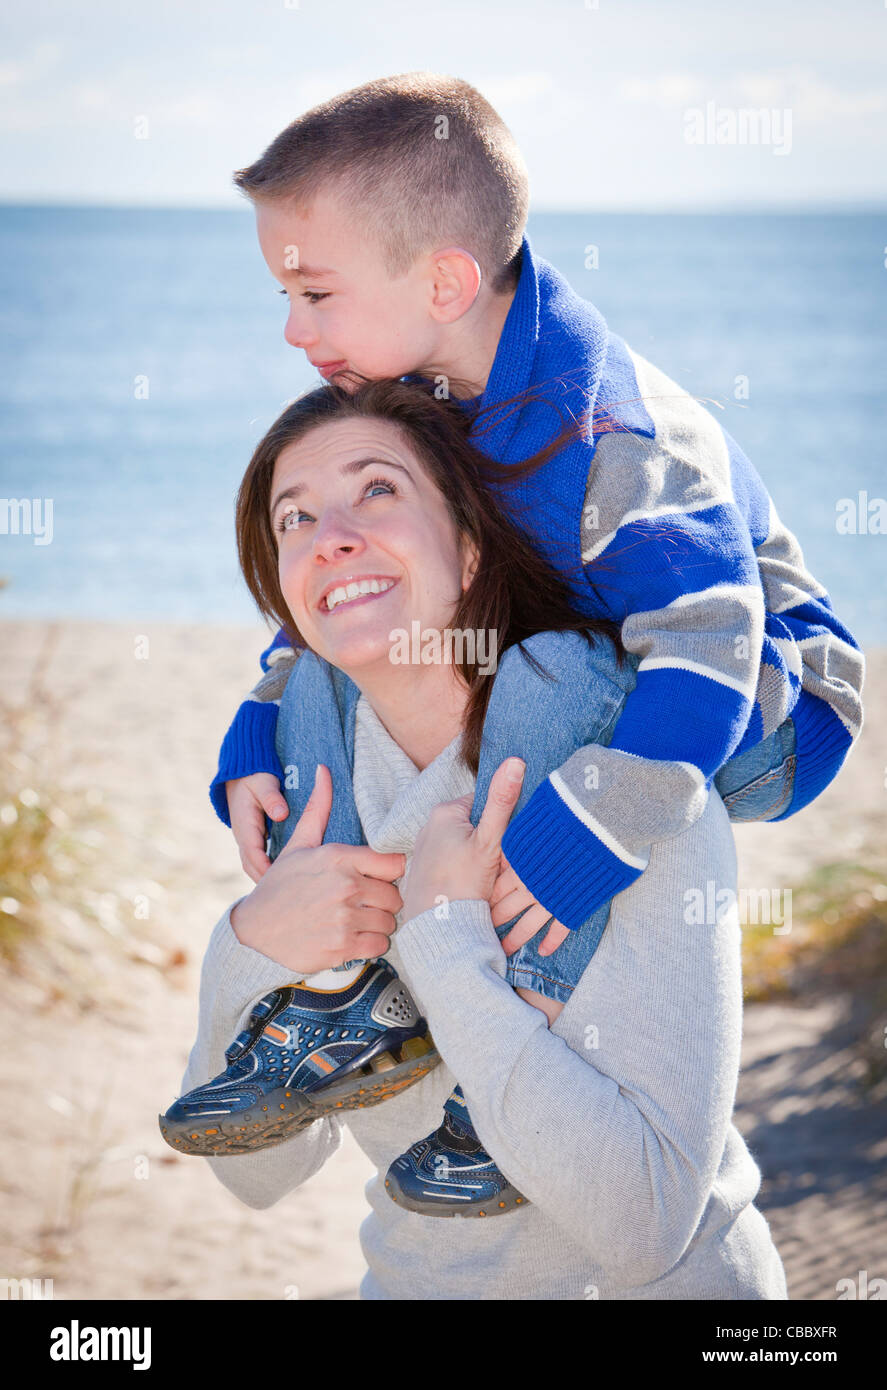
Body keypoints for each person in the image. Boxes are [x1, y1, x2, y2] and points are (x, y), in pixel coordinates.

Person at [162, 378, 788, 1298]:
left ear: (466, 550)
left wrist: (445, 944)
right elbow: (257, 1178)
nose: (328, 533)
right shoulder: (308, 792)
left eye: (377, 489)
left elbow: (647, 1225)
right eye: (292, 519)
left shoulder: (624, 786)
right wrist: (246, 945)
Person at [211, 71, 863, 935]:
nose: (295, 330)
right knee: (362, 629)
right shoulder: (422, 384)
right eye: (287, 299)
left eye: (317, 295)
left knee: (544, 677)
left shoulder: (614, 443)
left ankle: (531, 983)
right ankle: (341, 956)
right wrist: (266, 721)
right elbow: (359, 577)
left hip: (763, 707)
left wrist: (600, 829)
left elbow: (711, 639)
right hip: (602, 639)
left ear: (444, 284)